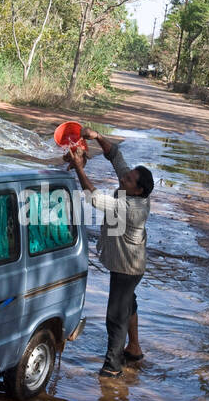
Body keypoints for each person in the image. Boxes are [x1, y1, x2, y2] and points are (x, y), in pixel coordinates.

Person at [66, 127, 154, 377]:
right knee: (129, 304)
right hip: (131, 265)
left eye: (127, 180)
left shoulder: (131, 207)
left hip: (127, 268)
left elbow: (94, 198)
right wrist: (97, 137)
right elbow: (115, 156)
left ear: (138, 190)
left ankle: (112, 367)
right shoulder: (132, 186)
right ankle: (134, 348)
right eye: (125, 177)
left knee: (115, 316)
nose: (123, 179)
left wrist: (79, 168)